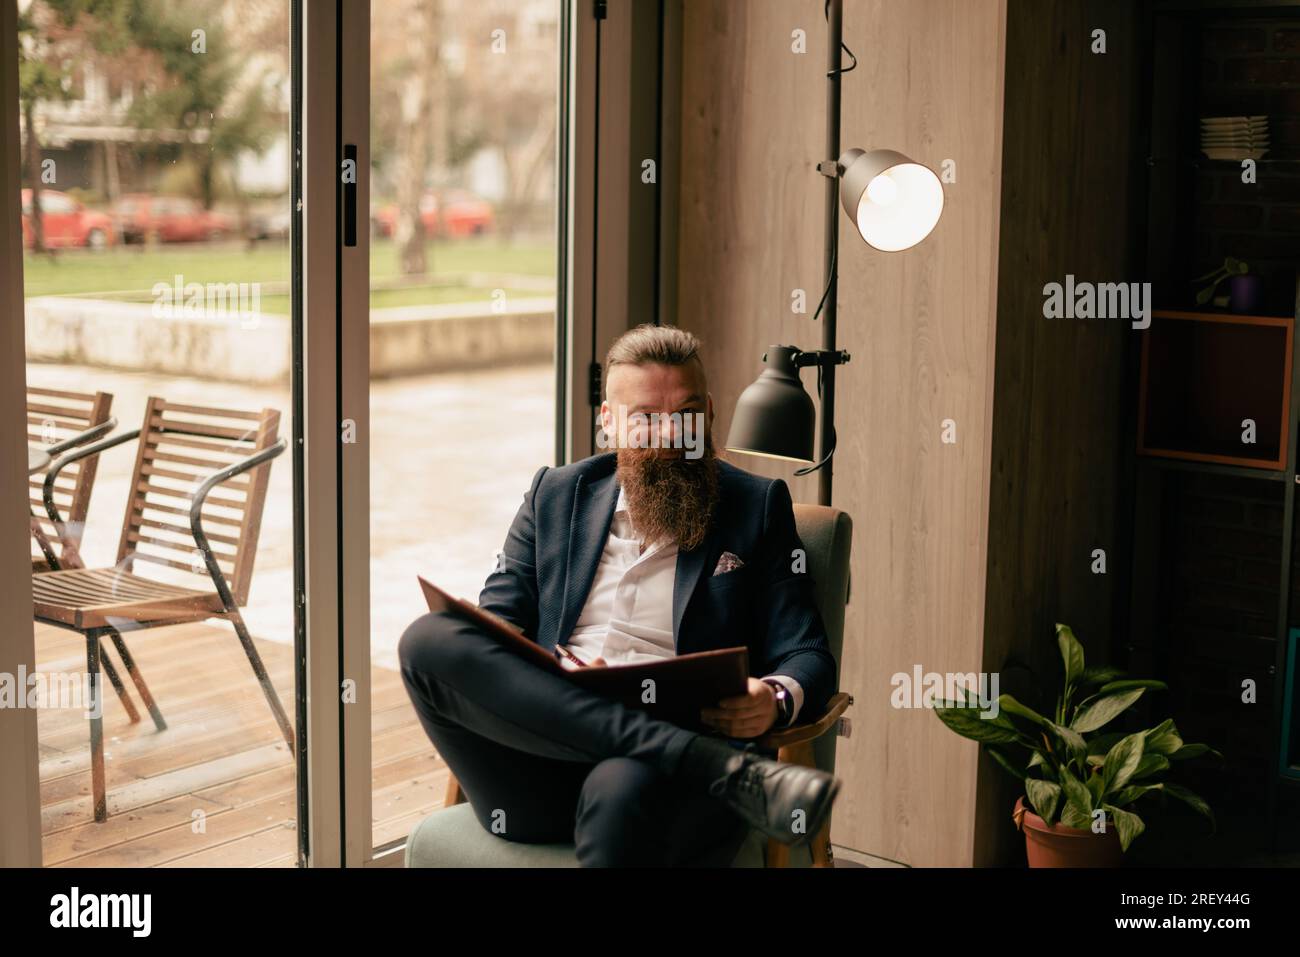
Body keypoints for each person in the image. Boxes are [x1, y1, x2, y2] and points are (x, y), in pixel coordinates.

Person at [399, 323, 842, 866]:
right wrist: (494, 643)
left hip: (648, 785)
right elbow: (501, 616)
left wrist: (770, 699)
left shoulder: (757, 506)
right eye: (645, 419)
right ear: (608, 423)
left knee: (620, 787)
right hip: (535, 767)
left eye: (684, 416)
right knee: (427, 640)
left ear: (708, 409)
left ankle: (686, 756)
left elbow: (808, 653)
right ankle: (711, 763)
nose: (667, 436)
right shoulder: (554, 494)